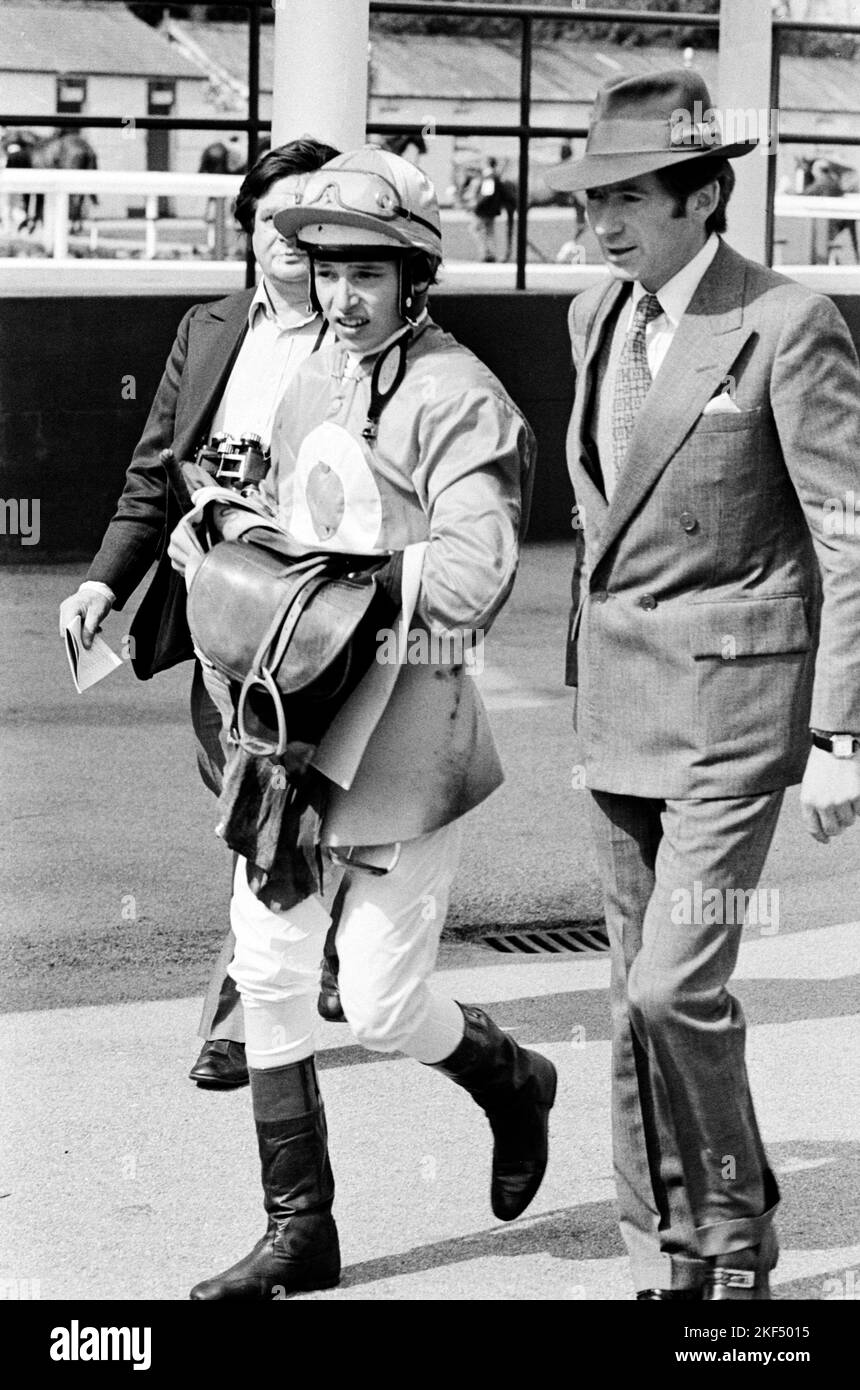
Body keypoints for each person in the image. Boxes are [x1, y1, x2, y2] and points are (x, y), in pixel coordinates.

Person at [169, 147, 554, 1300]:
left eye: (366, 275)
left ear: (413, 279)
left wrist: (331, 581)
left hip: (400, 725)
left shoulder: (458, 395)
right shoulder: (308, 374)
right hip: (290, 727)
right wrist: (225, 541)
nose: (340, 297)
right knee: (273, 968)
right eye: (327, 269)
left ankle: (510, 1078)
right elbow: (276, 507)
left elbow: (476, 576)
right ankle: (301, 1231)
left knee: (381, 1000)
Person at [547, 69, 860, 1300]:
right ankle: (663, 1254)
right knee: (629, 996)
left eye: (629, 198)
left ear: (704, 194)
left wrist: (842, 727)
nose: (604, 223)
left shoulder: (787, 323)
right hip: (614, 708)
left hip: (735, 711)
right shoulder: (593, 318)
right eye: (591, 201)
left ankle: (732, 1240)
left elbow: (844, 527)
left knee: (680, 980)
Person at [58, 137, 339, 1091]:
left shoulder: (365, 337)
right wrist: (104, 582)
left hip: (322, 614)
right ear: (248, 232)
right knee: (246, 802)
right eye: (272, 223)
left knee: (267, 801)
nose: (290, 243)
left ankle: (240, 1015)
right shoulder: (210, 328)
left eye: (310, 223)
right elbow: (152, 476)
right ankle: (306, 943)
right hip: (214, 609)